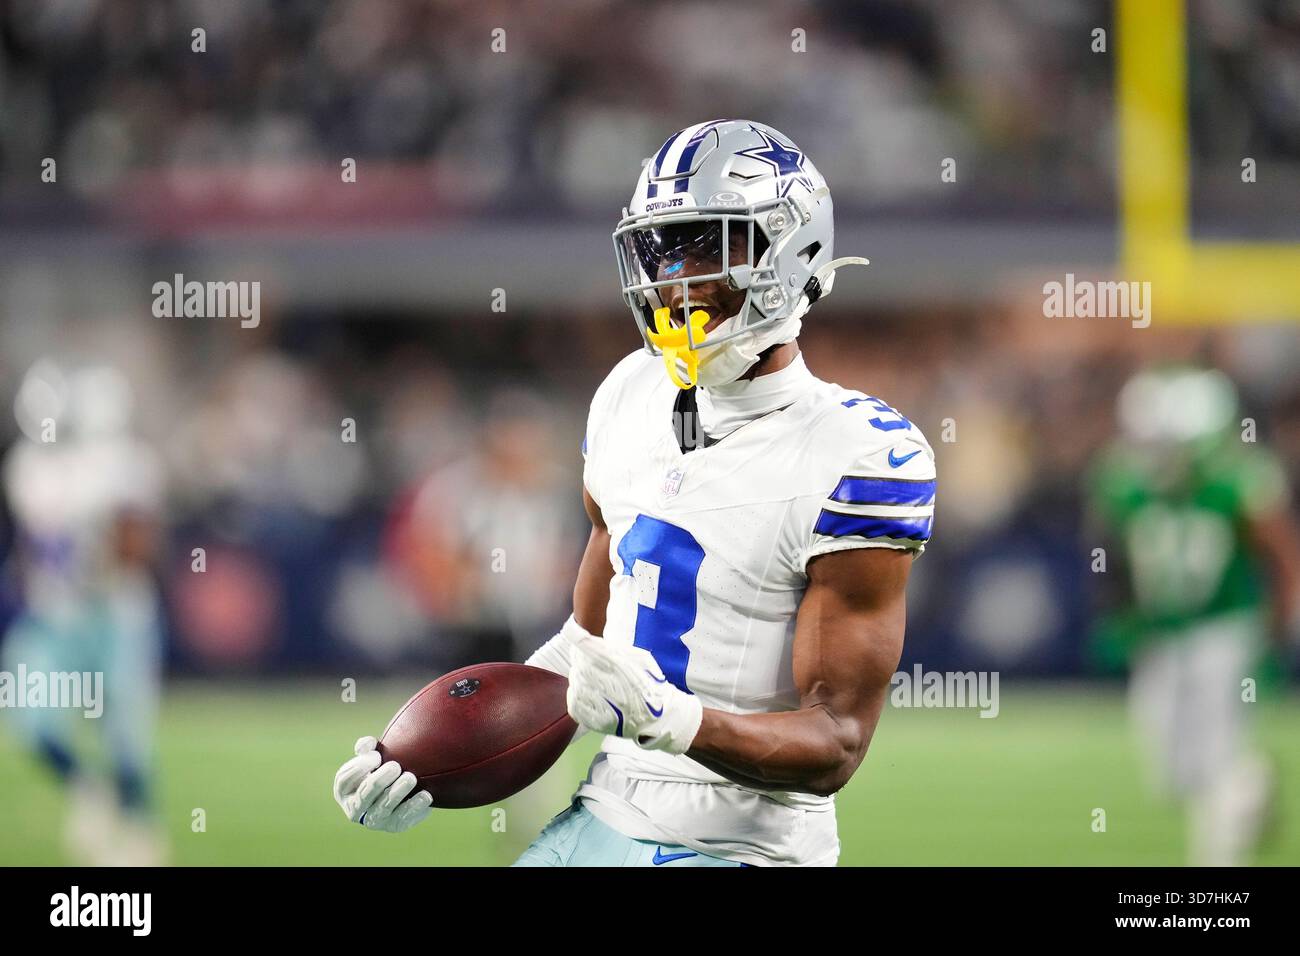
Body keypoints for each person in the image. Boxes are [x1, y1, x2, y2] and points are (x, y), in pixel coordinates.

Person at [333, 120, 938, 866]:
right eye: (663, 250)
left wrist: (669, 720)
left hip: (736, 850)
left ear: (793, 251)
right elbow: (584, 653)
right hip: (598, 818)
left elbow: (834, 745)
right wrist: (419, 765)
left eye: (708, 247)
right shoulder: (629, 393)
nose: (675, 280)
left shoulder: (858, 453)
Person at [1089, 365, 1300, 866]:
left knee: (1214, 761)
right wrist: (1119, 614)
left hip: (1224, 629)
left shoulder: (1236, 480)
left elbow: (1279, 554)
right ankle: (1252, 784)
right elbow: (1110, 555)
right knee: (1172, 775)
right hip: (1161, 634)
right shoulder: (1124, 481)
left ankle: (1213, 878)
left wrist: (1278, 623)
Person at [1, 361, 168, 865]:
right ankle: (87, 787)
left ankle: (141, 835)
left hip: (118, 616)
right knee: (32, 726)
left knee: (126, 743)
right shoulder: (28, 466)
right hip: (55, 617)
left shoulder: (125, 464)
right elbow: (37, 546)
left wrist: (104, 546)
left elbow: (139, 547)